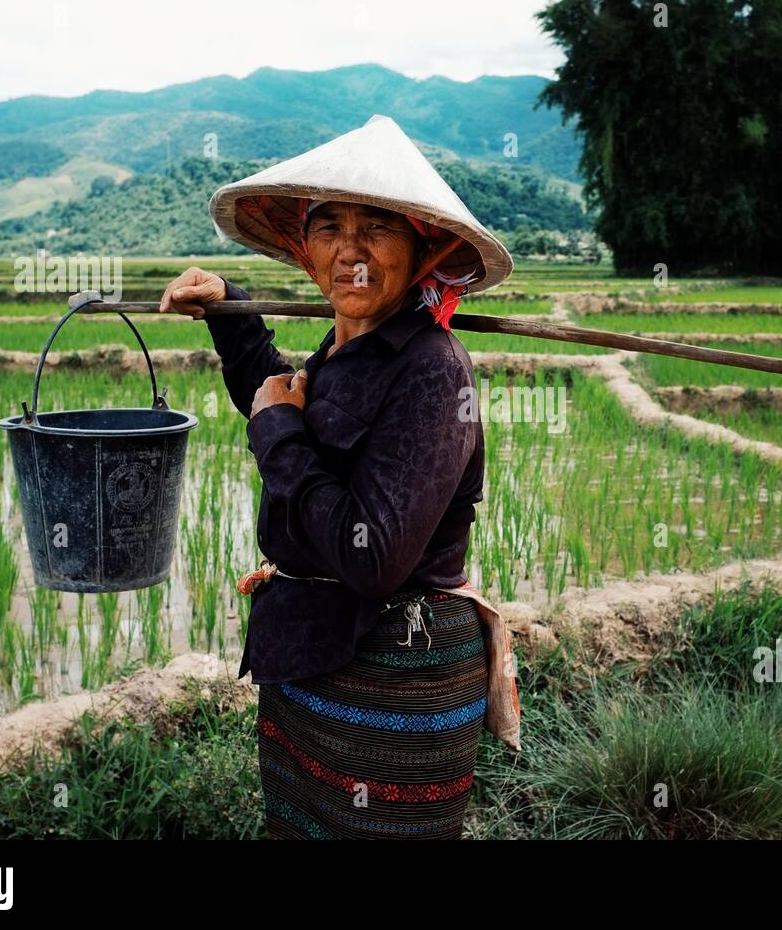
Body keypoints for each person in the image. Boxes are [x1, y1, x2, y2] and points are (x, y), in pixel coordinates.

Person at [159, 115, 519, 839]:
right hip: (316, 669)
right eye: (330, 228)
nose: (350, 251)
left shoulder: (431, 370)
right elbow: (286, 402)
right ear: (305, 248)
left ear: (421, 251)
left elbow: (371, 555)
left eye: (377, 228)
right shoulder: (343, 347)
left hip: (392, 681)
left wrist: (277, 434)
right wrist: (230, 309)